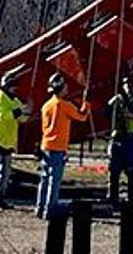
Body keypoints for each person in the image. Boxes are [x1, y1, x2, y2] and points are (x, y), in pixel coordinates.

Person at [36, 73, 87, 220]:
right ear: (60, 88)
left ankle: (40, 207)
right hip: (58, 147)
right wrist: (86, 105)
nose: (67, 88)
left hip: (46, 145)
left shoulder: (46, 106)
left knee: (44, 179)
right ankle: (50, 209)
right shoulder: (64, 105)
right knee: (54, 180)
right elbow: (81, 117)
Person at [0, 73, 27, 211]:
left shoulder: (14, 101)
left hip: (8, 142)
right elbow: (3, 116)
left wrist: (27, 111)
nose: (15, 89)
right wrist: (19, 111)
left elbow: (22, 118)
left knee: (5, 173)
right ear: (6, 86)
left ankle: (0, 198)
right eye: (12, 86)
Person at [106, 73, 133, 202]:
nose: (128, 86)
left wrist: (123, 111)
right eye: (125, 84)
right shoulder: (118, 99)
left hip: (131, 137)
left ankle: (130, 197)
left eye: (130, 84)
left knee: (131, 169)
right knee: (114, 168)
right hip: (118, 135)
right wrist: (113, 104)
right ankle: (112, 196)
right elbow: (107, 111)